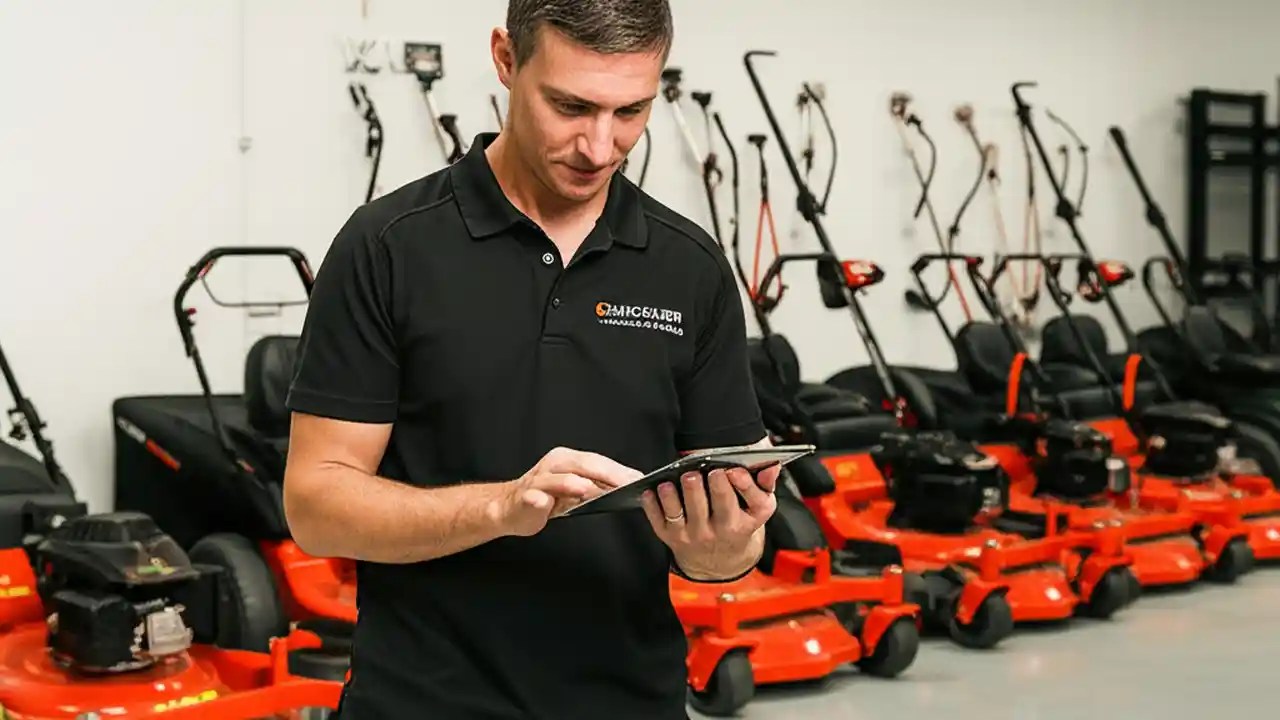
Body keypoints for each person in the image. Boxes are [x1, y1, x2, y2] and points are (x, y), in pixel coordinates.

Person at [282, 1, 779, 717]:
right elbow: (316, 506)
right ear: (506, 60)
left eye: (631, 111)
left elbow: (723, 556)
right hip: (423, 702)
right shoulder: (387, 247)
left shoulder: (691, 269)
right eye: (571, 106)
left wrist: (725, 545)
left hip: (631, 700)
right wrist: (501, 507)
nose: (600, 146)